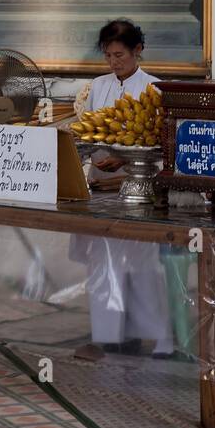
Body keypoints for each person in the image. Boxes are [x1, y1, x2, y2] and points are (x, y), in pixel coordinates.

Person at [71, 19, 174, 360]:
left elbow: (159, 145)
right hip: (100, 187)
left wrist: (122, 160)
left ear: (138, 51)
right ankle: (109, 336)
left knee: (141, 264)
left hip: (138, 188)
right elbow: (88, 131)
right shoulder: (98, 86)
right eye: (108, 56)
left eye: (120, 55)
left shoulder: (155, 89)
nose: (114, 63)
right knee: (102, 262)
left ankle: (158, 338)